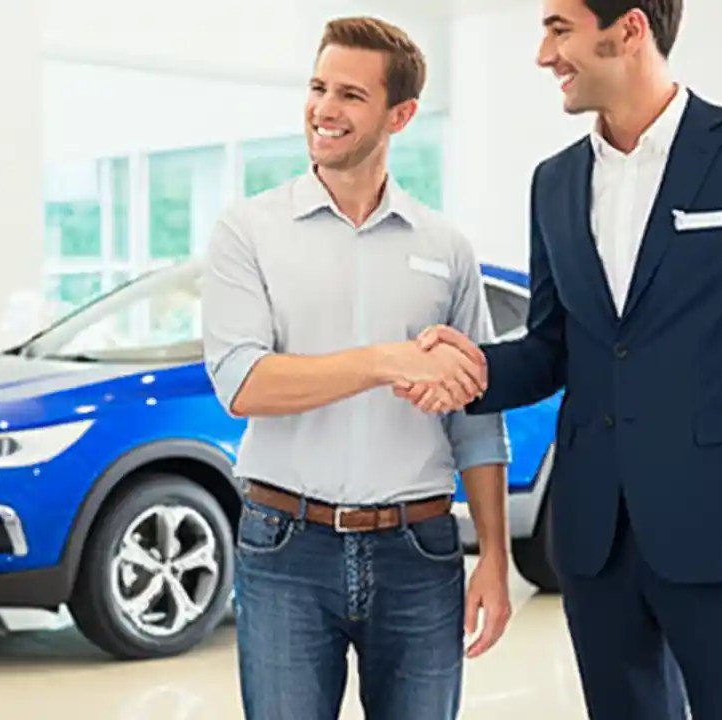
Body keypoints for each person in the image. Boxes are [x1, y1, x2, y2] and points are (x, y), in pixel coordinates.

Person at [399, 0, 722, 717]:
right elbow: (554, 347)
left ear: (630, 29)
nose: (543, 54)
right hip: (595, 544)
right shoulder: (554, 181)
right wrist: (471, 370)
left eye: (560, 30)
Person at [201, 16, 511, 720]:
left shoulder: (446, 247)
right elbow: (244, 383)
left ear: (400, 115)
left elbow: (476, 418)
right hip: (286, 545)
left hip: (420, 550)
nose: (324, 109)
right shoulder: (249, 231)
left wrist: (495, 555)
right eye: (318, 88)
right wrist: (385, 361)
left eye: (350, 95)